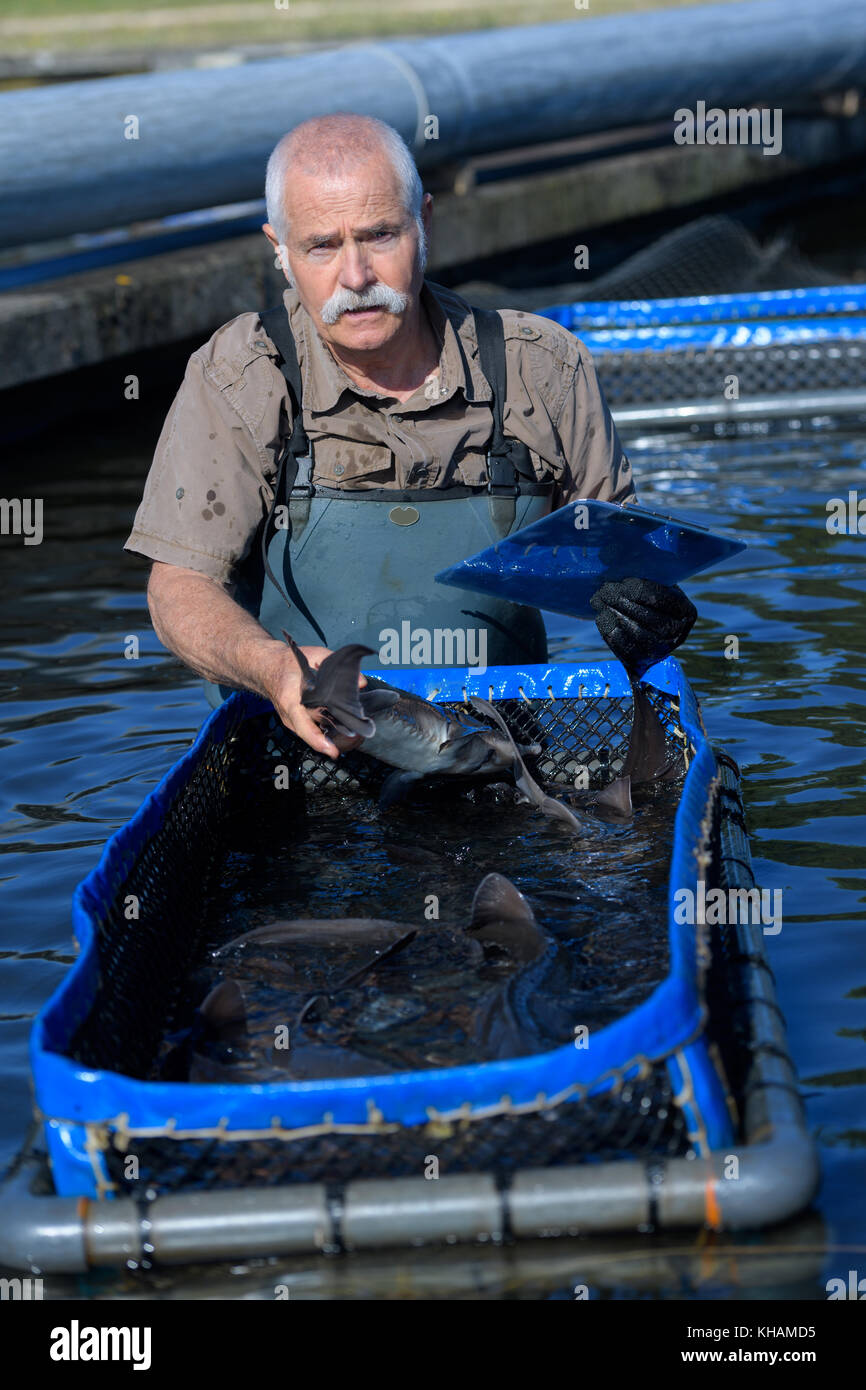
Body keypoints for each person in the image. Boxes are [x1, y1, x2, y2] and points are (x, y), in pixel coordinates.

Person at [126, 113, 693, 759]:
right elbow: (178, 587)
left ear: (425, 221)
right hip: (299, 753)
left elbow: (616, 552)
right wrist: (272, 669)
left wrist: (644, 601)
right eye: (321, 246)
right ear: (278, 249)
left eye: (380, 235)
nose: (356, 275)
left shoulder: (541, 365)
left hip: (498, 749)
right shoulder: (243, 374)